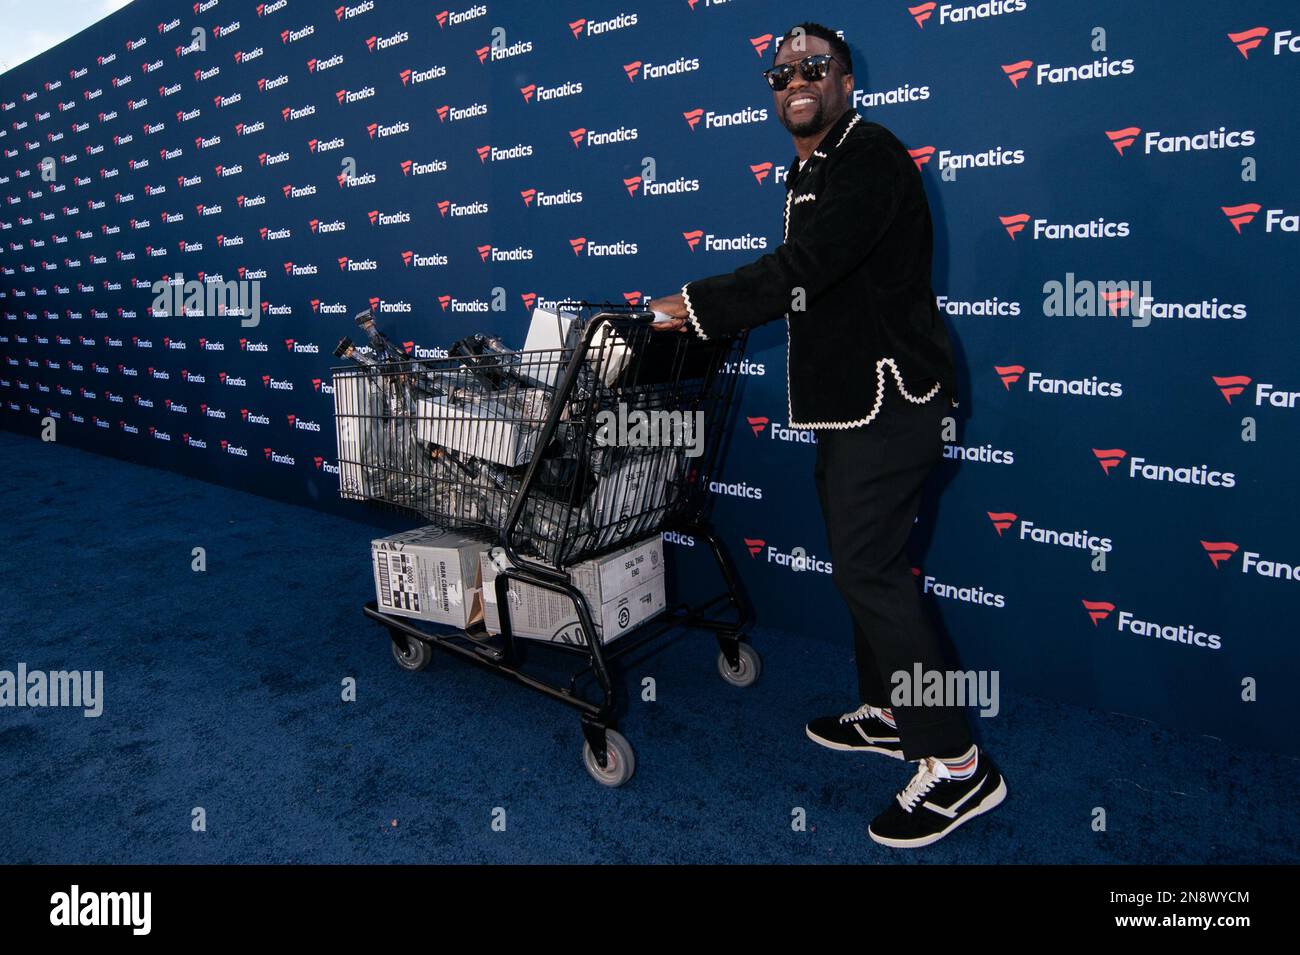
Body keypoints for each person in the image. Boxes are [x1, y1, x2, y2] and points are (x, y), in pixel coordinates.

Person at [648, 22, 1006, 848]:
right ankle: (889, 711)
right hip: (854, 409)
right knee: (864, 568)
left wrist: (693, 304)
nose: (795, 81)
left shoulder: (870, 155)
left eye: (814, 68)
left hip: (895, 403)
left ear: (846, 81)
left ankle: (958, 766)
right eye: (781, 74)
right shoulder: (813, 165)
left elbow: (804, 268)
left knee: (872, 574)